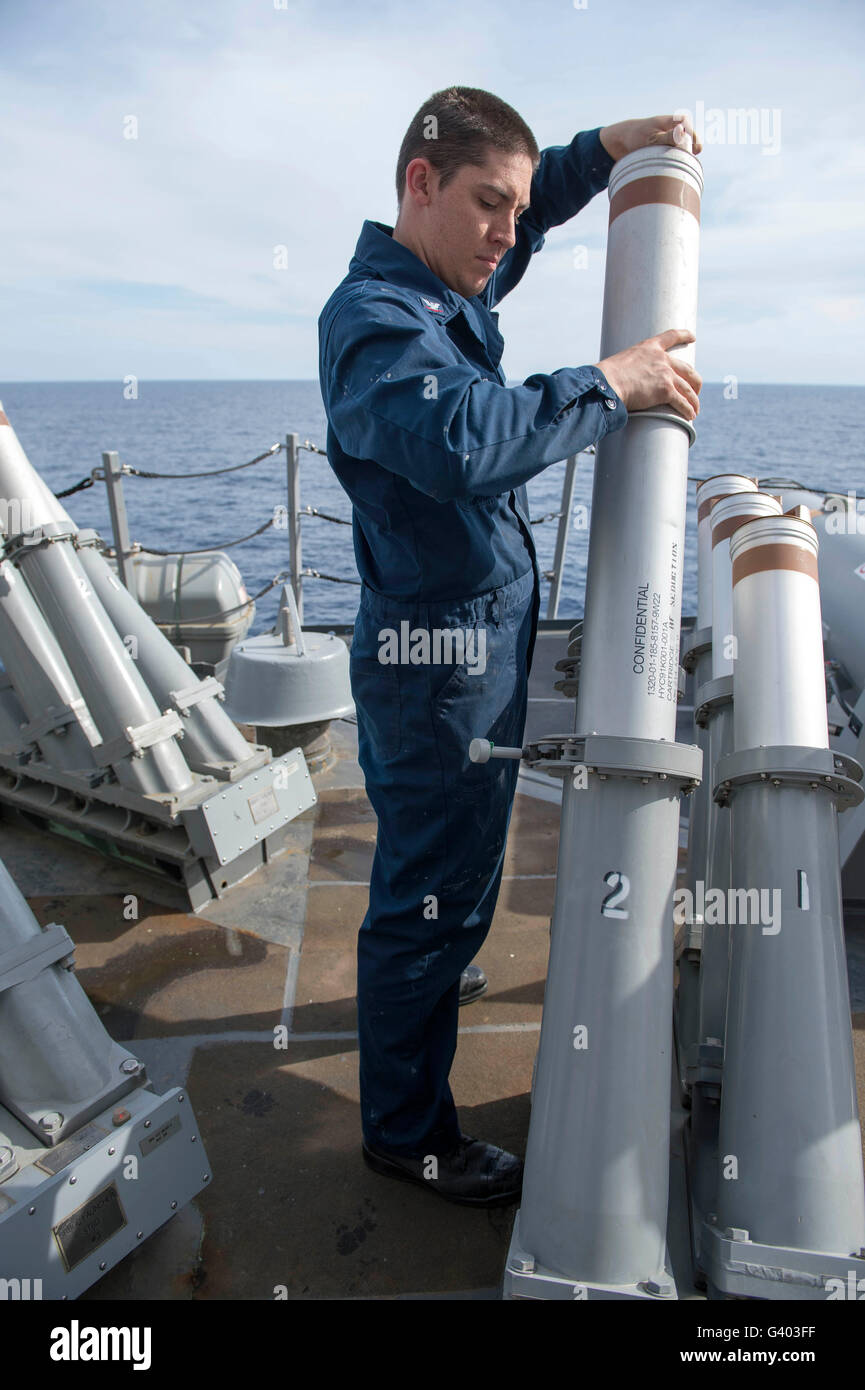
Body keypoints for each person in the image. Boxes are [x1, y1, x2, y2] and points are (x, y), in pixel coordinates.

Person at [317, 87, 702, 1207]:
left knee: (449, 873)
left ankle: (437, 964)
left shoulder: (444, 284)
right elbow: (462, 440)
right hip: (435, 669)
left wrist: (603, 151)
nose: (505, 230)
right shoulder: (376, 322)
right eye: (487, 202)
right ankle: (406, 1133)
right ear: (419, 184)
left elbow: (523, 229)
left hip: (469, 645)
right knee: (427, 888)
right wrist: (610, 384)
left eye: (516, 207)